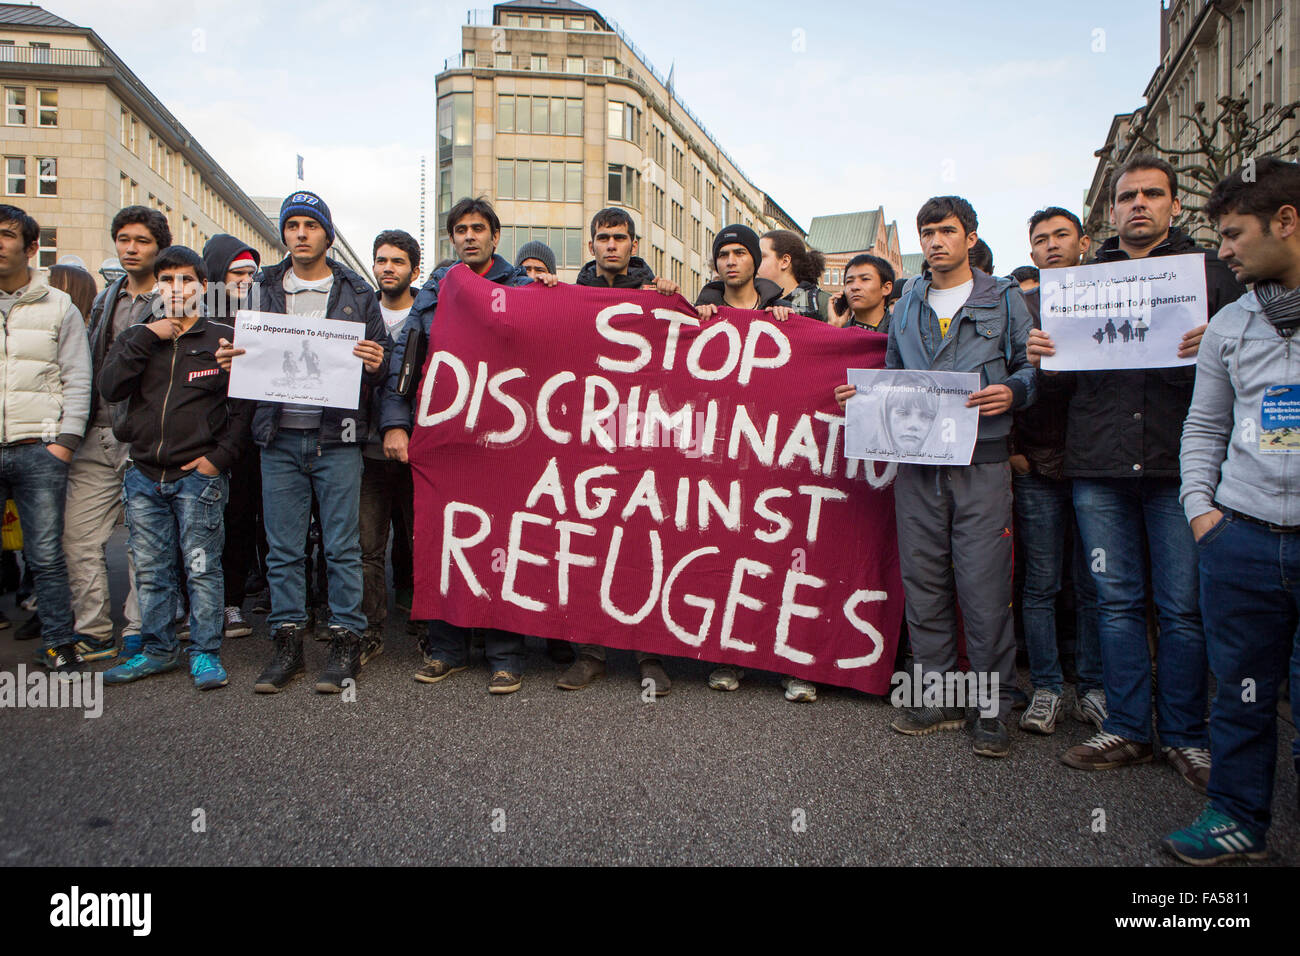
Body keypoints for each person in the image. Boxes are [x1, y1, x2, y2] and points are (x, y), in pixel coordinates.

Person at [1029, 155, 1245, 790]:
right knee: (1115, 602)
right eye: (1128, 197)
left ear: (1175, 206)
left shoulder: (1213, 276)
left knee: (1182, 608)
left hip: (1180, 464)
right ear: (1113, 209)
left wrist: (1220, 341)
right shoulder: (1079, 283)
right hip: (1097, 463)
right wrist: (1045, 355)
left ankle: (1185, 736)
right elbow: (1050, 395)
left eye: (1153, 194)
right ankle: (1126, 727)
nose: (1140, 204)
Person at [836, 195, 1036, 757]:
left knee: (984, 581)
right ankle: (939, 694)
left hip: (983, 457)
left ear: (971, 237)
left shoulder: (1005, 298)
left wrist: (1015, 391)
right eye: (927, 232)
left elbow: (1030, 368)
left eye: (947, 231)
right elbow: (894, 375)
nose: (935, 241)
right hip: (918, 461)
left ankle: (991, 705)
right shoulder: (907, 304)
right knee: (923, 578)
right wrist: (865, 399)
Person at [1162, 157, 1300, 863]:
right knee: (1241, 698)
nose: (1223, 250)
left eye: (1234, 233)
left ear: (1287, 222)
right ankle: (1237, 818)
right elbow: (1205, 428)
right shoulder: (1230, 326)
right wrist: (1200, 511)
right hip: (1239, 536)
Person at [216, 191, 391, 695]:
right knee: (283, 549)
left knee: (342, 547)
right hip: (278, 438)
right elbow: (245, 351)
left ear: (327, 235)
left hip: (337, 439)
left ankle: (345, 642)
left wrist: (376, 363)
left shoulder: (357, 291)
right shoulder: (262, 288)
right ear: (284, 234)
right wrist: (234, 362)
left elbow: (381, 368)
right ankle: (287, 644)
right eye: (291, 225)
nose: (300, 233)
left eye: (310, 225)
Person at [382, 197, 554, 695]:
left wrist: (554, 293)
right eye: (460, 229)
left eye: (479, 228)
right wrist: (396, 424)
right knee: (444, 539)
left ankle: (505, 655)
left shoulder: (524, 288)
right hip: (445, 437)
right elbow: (405, 357)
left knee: (503, 540)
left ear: (495, 237)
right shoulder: (435, 289)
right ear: (452, 238)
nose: (470, 236)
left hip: (507, 438)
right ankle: (447, 649)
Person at [99, 246, 251, 690]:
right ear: (157, 286)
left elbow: (244, 408)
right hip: (144, 474)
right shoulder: (137, 335)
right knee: (151, 568)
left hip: (197, 478)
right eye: (167, 281)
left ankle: (205, 653)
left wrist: (217, 460)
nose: (176, 289)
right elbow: (110, 387)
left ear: (203, 287)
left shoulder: (223, 337)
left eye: (186, 280)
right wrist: (149, 336)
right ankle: (159, 650)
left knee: (202, 567)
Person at [558, 206, 679, 694]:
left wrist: (679, 303)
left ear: (634, 244)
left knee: (642, 544)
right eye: (603, 238)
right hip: (585, 440)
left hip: (642, 441)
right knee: (587, 541)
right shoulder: (570, 297)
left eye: (620, 237)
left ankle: (650, 653)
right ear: (591, 246)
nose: (611, 244)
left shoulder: (659, 298)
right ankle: (590, 653)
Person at [696, 225, 810, 701]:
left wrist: (794, 327)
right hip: (723, 456)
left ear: (753, 261)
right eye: (722, 254)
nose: (730, 260)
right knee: (728, 558)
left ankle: (791, 660)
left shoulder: (786, 310)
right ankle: (729, 656)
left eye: (740, 252)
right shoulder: (701, 311)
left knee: (779, 556)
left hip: (775, 454)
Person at [1012, 207, 1104, 735]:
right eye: (1041, 239)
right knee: (1041, 583)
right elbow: (1002, 377)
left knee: (1094, 583)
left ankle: (1092, 687)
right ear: (1031, 253)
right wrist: (1013, 452)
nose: (1051, 245)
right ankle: (1046, 688)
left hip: (1098, 464)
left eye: (1061, 236)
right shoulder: (1020, 306)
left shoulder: (1113, 294)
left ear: (1083, 243)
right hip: (1037, 463)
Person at [69, 206, 168, 660]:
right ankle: (91, 629)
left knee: (143, 542)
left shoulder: (175, 302)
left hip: (145, 433)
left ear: (159, 247)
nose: (131, 248)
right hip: (96, 430)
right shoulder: (105, 299)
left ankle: (139, 627)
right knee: (81, 538)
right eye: (124, 239)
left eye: (142, 241)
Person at [0, 204, 92, 677]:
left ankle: (60, 642)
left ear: (31, 247)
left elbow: (78, 377)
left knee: (46, 553)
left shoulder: (58, 306)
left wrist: (64, 442)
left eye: (7, 235)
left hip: (40, 446)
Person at [360, 229, 421, 655]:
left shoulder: (433, 314)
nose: (388, 268)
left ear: (414, 270)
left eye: (397, 261)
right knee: (367, 546)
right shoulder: (356, 316)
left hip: (419, 450)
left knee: (421, 542)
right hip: (365, 448)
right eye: (382, 260)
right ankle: (370, 631)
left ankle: (425, 627)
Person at [202, 235, 263, 641]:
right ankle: (196, 605)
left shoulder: (262, 316)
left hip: (248, 441)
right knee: (201, 527)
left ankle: (232, 602)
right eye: (237, 273)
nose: (244, 281)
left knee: (240, 521)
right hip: (200, 439)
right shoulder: (193, 318)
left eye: (251, 274)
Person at [695, 225, 787, 317]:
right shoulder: (701, 314)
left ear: (755, 260)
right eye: (723, 255)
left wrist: (786, 319)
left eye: (740, 253)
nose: (730, 262)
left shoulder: (780, 310)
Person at [758, 229, 829, 320]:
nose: (754, 262)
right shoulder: (755, 301)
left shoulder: (821, 303)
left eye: (761, 256)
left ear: (785, 261)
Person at [829, 254, 895, 331]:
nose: (854, 287)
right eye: (849, 281)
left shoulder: (901, 333)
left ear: (886, 288)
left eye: (865, 279)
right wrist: (834, 332)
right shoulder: (839, 331)